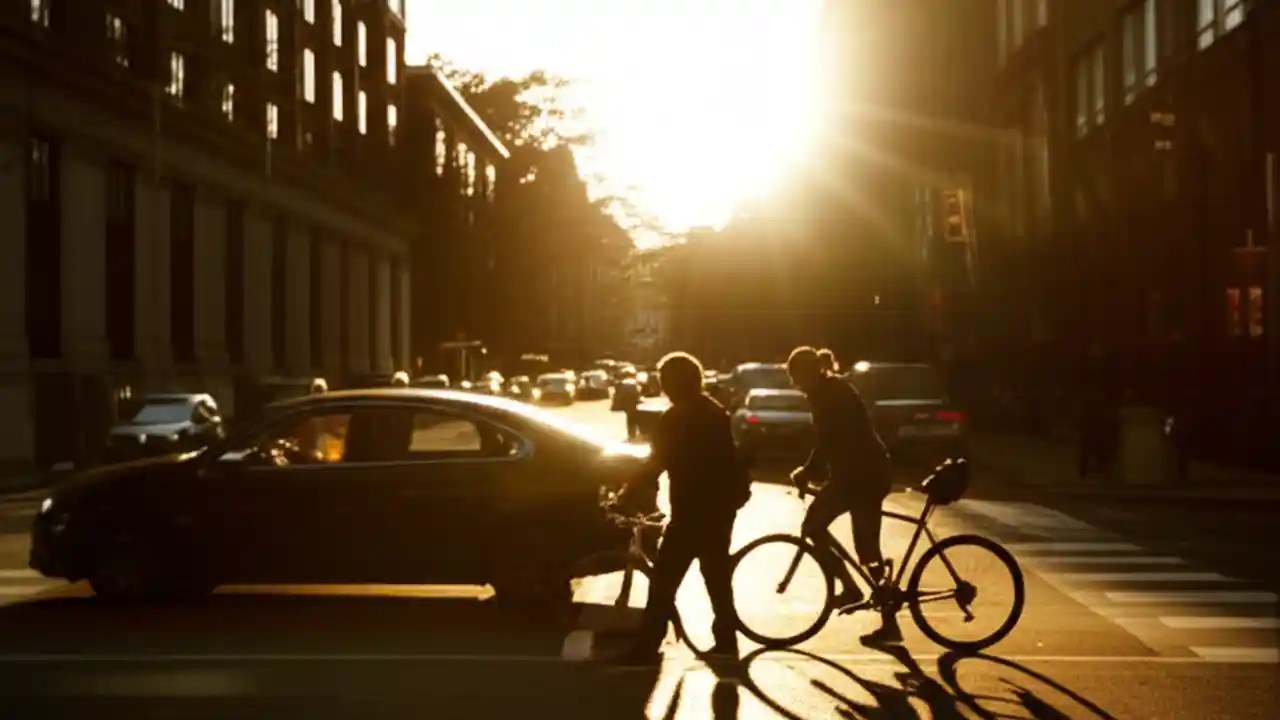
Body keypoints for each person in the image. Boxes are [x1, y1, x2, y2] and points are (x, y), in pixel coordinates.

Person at [613, 352, 751, 665]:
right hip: (719, 509)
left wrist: (626, 492)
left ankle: (646, 647)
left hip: (691, 512)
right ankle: (726, 642)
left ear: (674, 383)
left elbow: (657, 462)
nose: (663, 386)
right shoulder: (715, 411)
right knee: (716, 577)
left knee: (663, 584)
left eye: (665, 380)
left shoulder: (675, 418)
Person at [787, 345, 899, 645]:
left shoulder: (828, 395)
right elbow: (832, 442)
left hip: (862, 477)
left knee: (858, 544)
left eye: (796, 377)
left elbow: (828, 439)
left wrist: (807, 471)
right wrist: (814, 471)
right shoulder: (830, 390)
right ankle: (855, 590)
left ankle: (877, 610)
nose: (795, 384)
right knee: (824, 529)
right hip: (857, 474)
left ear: (808, 373)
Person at [611, 371, 643, 441]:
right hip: (633, 403)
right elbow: (636, 394)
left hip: (626, 403)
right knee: (634, 418)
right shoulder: (634, 384)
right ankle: (634, 434)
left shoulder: (622, 384)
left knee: (629, 418)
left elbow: (619, 394)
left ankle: (631, 434)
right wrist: (639, 399)